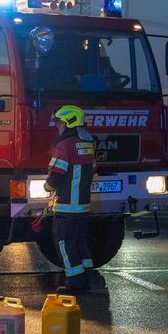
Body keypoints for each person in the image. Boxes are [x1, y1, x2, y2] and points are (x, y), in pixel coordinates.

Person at [44, 104, 99, 293]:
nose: (58, 127)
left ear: (69, 122)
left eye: (60, 123)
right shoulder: (87, 144)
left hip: (67, 208)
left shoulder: (65, 146)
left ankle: (74, 283)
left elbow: (57, 174)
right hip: (82, 208)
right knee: (80, 242)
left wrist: (47, 187)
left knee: (65, 244)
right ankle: (86, 278)